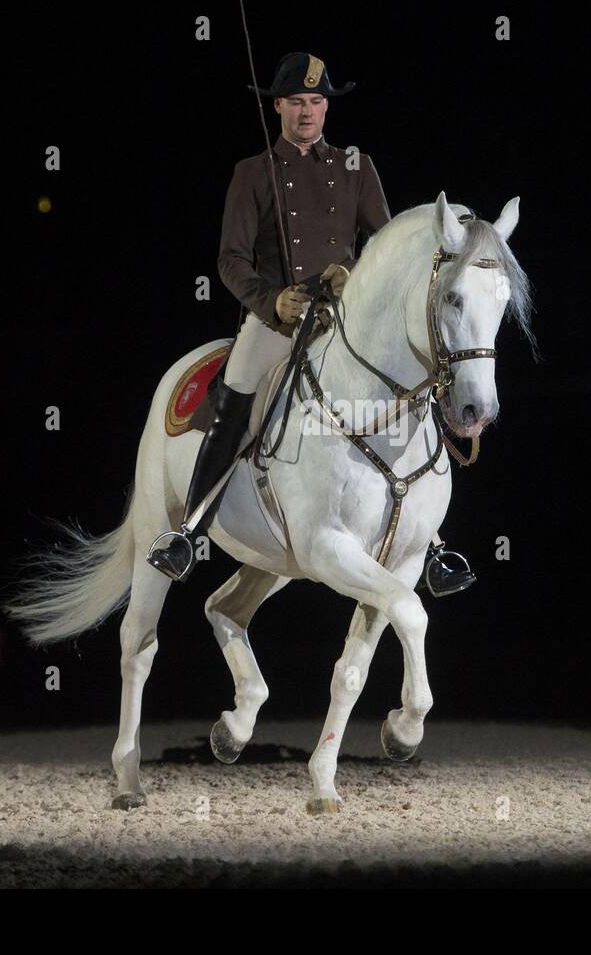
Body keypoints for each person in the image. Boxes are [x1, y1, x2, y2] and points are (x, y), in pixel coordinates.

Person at [147, 52, 475, 596]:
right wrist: (272, 302)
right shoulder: (252, 173)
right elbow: (231, 261)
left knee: (407, 387)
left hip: (341, 318)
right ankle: (188, 529)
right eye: (297, 102)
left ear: (327, 108)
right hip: (277, 319)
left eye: (317, 102)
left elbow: (387, 244)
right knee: (237, 393)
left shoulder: (356, 166)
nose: (307, 112)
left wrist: (357, 275)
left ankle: (433, 543)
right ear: (278, 106)